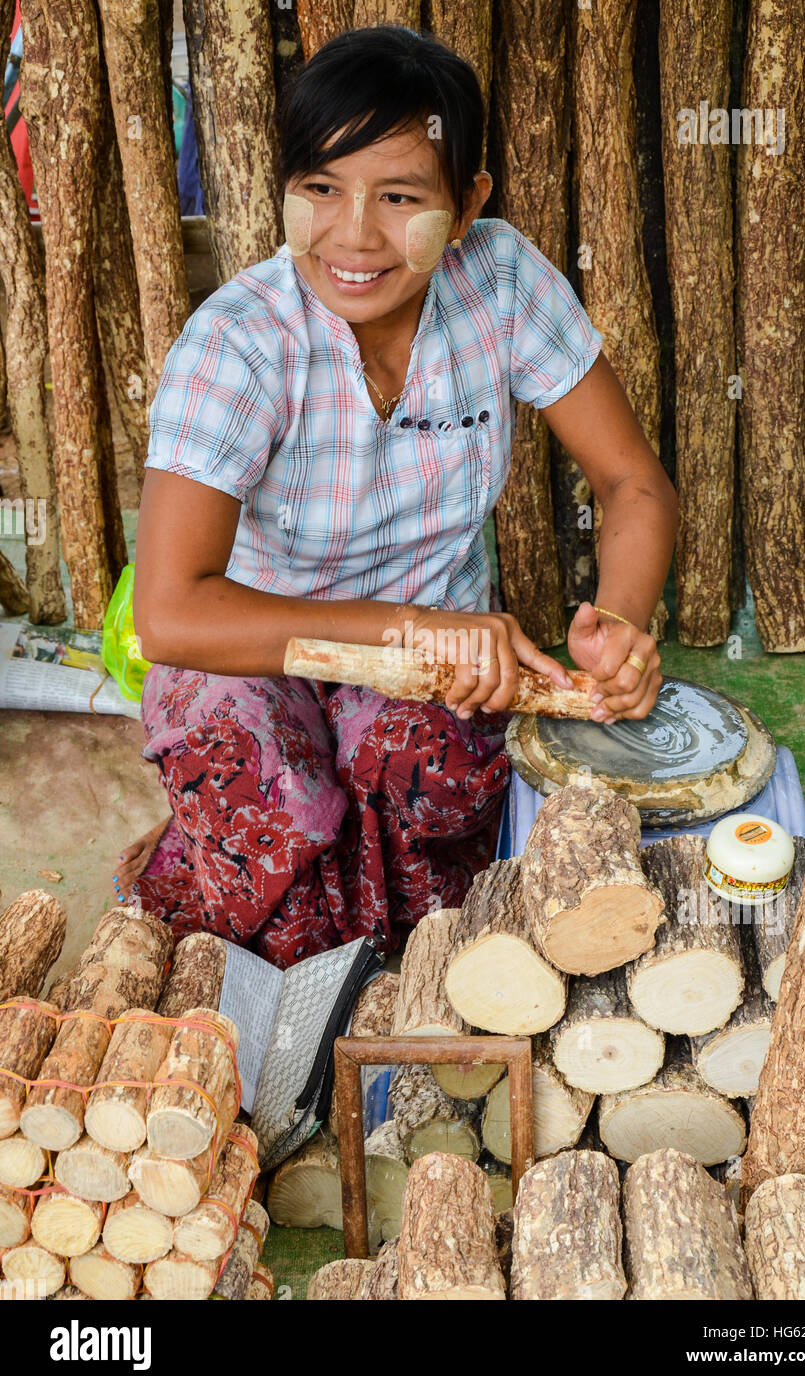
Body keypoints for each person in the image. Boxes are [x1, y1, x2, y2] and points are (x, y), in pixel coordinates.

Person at [116, 26, 677, 968]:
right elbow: (172, 614)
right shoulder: (240, 342)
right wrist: (412, 628)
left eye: (401, 197)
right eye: (320, 189)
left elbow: (632, 483)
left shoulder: (496, 281)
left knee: (436, 798)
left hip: (436, 654)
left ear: (467, 208)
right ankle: (189, 865)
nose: (354, 235)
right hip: (250, 646)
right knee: (270, 819)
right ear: (284, 190)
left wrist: (618, 622)